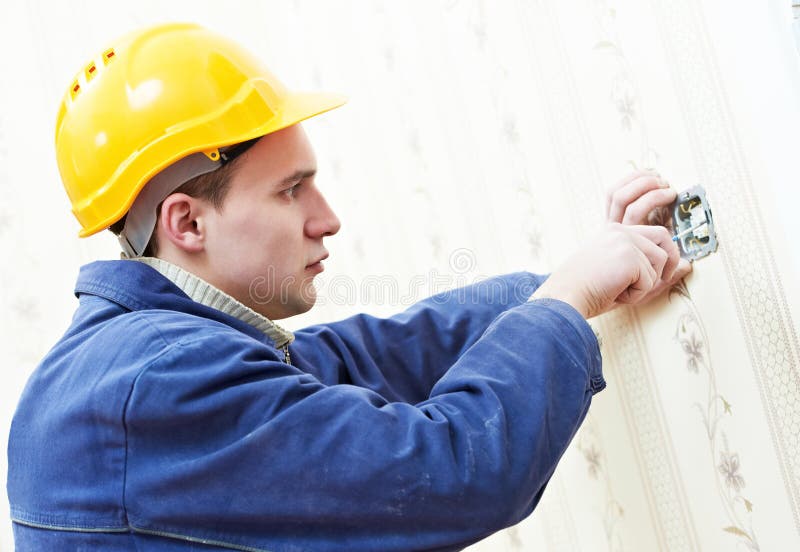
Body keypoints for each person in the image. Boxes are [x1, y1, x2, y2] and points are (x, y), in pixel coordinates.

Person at [6, 22, 690, 552]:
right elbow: (450, 473)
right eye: (290, 190)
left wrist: (581, 272)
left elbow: (372, 354)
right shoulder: (160, 383)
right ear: (188, 222)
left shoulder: (133, 359)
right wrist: (566, 303)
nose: (326, 219)